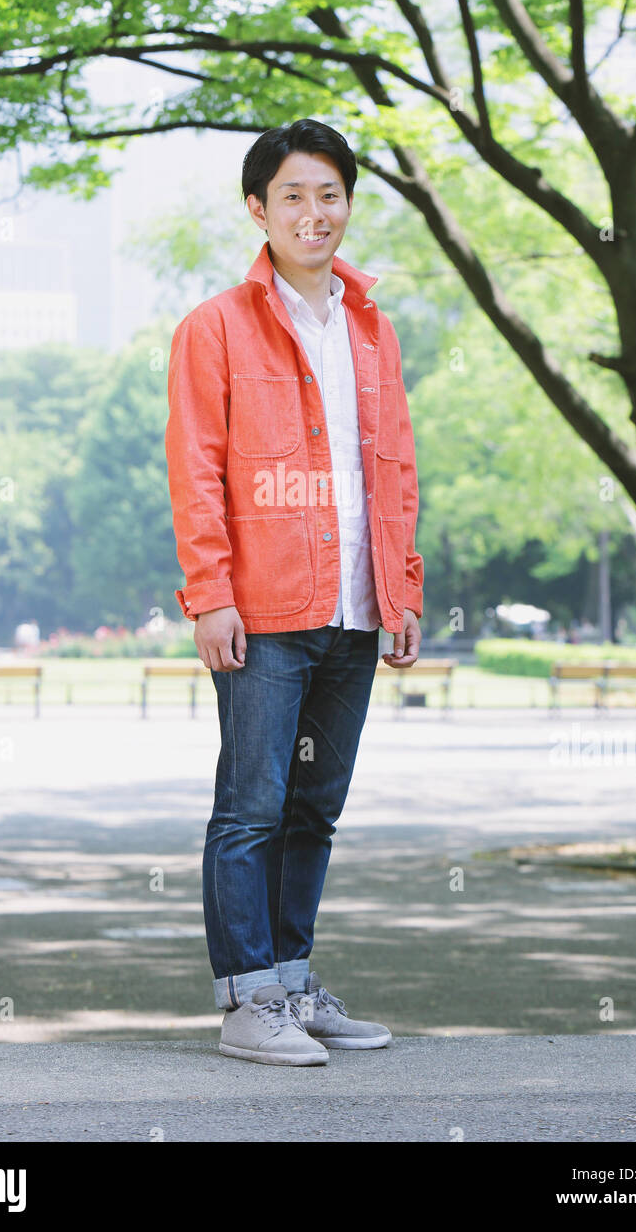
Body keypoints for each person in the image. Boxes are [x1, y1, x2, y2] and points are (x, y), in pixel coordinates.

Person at [165, 118, 424, 1066]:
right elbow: (196, 470)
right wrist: (210, 592)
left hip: (356, 608)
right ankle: (246, 1000)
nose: (314, 214)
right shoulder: (216, 328)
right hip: (265, 609)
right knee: (251, 806)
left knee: (315, 807)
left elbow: (392, 471)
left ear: (348, 204)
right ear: (258, 210)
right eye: (293, 197)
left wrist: (400, 592)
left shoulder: (371, 328)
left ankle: (292, 979)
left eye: (330, 195)